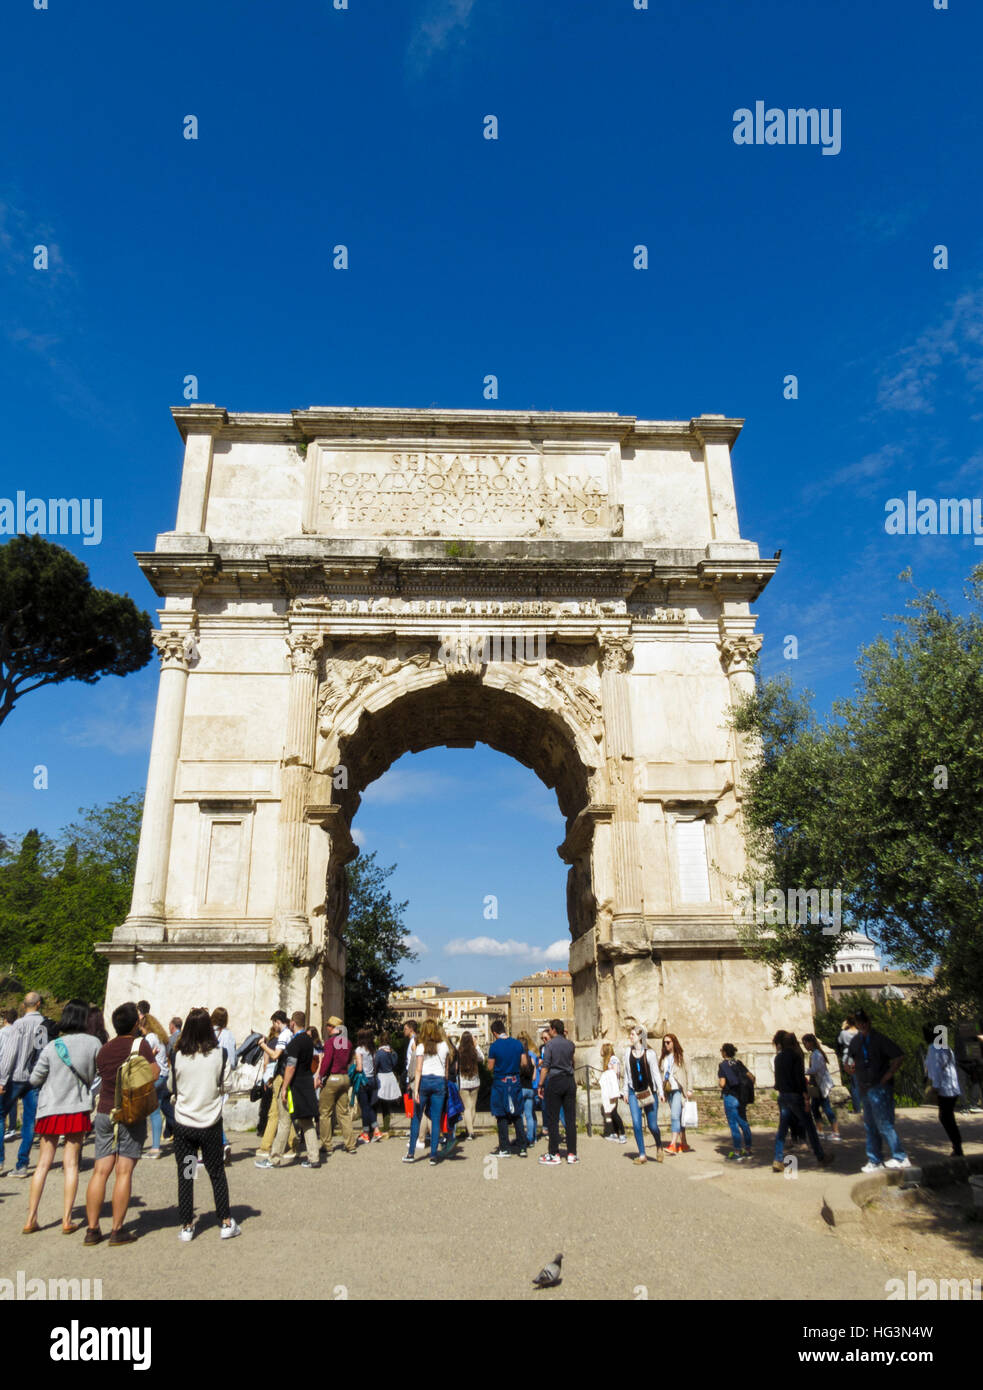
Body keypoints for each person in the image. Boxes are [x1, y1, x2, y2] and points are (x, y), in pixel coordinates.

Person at [84, 1002, 160, 1245]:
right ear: (136, 1024)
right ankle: (117, 1230)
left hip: (105, 1111)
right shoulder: (140, 1045)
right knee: (123, 1171)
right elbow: (154, 1073)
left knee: (100, 1170)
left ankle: (92, 1229)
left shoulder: (104, 1049)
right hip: (130, 1112)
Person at [23, 1000, 101, 1234]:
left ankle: (31, 1217)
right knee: (71, 1164)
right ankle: (67, 1219)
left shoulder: (52, 1045)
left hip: (51, 1108)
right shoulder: (94, 1043)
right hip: (77, 1107)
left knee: (43, 1164)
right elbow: (98, 1072)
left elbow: (35, 1079)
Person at [169, 1007, 241, 1239]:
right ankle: (226, 1221)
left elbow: (173, 1087)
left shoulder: (178, 1055)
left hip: (185, 1126)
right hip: (209, 1124)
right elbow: (227, 1086)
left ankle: (187, 1225)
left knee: (187, 1174)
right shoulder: (219, 1055)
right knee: (216, 1171)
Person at [847, 1010, 910, 1173]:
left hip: (879, 1086)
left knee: (884, 1123)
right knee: (870, 1125)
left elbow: (899, 1056)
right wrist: (849, 1067)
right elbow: (850, 1059)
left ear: (869, 1022)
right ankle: (874, 1159)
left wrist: (888, 1074)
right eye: (859, 1021)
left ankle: (900, 1156)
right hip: (864, 1086)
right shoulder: (855, 1041)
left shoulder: (879, 1039)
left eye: (864, 1021)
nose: (862, 1024)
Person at [256, 1011, 320, 1170]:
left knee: (284, 1121)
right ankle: (314, 1158)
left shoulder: (296, 1042)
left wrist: (284, 1087)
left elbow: (290, 1066)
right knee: (307, 1122)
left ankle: (274, 1159)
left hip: (295, 1085)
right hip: (307, 1083)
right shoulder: (308, 1040)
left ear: (292, 1023)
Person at [0, 992, 48, 1178]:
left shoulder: (19, 1024)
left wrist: (2, 1079)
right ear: (38, 1004)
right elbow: (42, 1053)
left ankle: (1, 1159)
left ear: (24, 1005)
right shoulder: (42, 1024)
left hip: (15, 1077)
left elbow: (10, 1054)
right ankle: (22, 1164)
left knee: (1, 1114)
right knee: (29, 1120)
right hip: (33, 1078)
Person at [772, 1031, 832, 1173]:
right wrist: (805, 1096)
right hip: (795, 1096)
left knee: (782, 1129)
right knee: (809, 1127)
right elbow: (799, 1078)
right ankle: (820, 1156)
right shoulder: (796, 1057)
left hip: (783, 1096)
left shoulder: (778, 1058)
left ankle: (778, 1159)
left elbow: (777, 1081)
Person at [404, 1019, 450, 1165]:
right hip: (439, 1081)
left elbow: (418, 1069)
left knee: (417, 1118)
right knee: (436, 1119)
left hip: (424, 1081)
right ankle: (433, 1155)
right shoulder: (444, 1046)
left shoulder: (420, 1046)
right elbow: (447, 1070)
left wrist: (415, 1089)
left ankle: (411, 1153)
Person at [137, 1004, 176, 1158]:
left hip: (154, 1077)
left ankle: (154, 1148)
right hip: (163, 1076)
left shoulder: (149, 1038)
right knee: (158, 1109)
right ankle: (155, 1145)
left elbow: (142, 1056)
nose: (140, 1029)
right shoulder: (161, 1037)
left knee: (151, 1112)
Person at [621, 1026, 664, 1164]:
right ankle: (642, 1154)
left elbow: (656, 1074)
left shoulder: (649, 1053)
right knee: (636, 1123)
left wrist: (661, 1092)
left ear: (640, 1037)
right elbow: (626, 1074)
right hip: (634, 1092)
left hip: (649, 1092)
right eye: (630, 1034)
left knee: (652, 1126)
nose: (630, 1036)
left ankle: (659, 1145)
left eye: (633, 1034)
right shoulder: (627, 1052)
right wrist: (625, 1091)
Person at [538, 1020, 578, 1165]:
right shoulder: (570, 1044)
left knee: (553, 1118)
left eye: (550, 1029)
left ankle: (554, 1153)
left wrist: (540, 1084)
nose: (549, 1032)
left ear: (554, 1030)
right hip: (569, 1080)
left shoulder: (550, 1045)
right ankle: (572, 1153)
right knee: (570, 1119)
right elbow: (572, 1062)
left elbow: (545, 1067)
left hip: (555, 1080)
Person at [317, 1016, 357, 1156]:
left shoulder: (330, 1043)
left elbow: (326, 1062)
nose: (327, 1028)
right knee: (344, 1113)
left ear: (334, 1028)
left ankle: (327, 1145)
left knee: (325, 1113)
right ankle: (350, 1144)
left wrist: (320, 1076)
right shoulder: (348, 1043)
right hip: (345, 1077)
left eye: (329, 1026)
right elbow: (349, 1060)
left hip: (332, 1078)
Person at [488, 1019, 528, 1158]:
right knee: (517, 1114)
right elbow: (524, 1063)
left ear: (494, 1033)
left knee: (501, 1115)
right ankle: (523, 1147)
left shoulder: (494, 1046)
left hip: (501, 1082)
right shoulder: (518, 1044)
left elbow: (490, 1067)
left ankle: (504, 1148)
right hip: (515, 1081)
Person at [922, 1024, 964, 1158]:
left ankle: (957, 1146)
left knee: (945, 1117)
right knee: (948, 1116)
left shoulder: (933, 1048)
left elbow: (936, 1070)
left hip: (944, 1088)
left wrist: (934, 1088)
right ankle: (957, 1145)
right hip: (953, 1086)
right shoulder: (946, 1047)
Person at [255, 1011, 292, 1154]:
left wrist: (263, 1045)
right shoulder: (289, 1034)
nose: (273, 1026)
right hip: (281, 1075)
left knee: (279, 1112)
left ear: (278, 1021)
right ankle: (268, 1145)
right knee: (278, 1112)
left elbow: (275, 1055)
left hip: (281, 1075)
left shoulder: (284, 1035)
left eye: (273, 1023)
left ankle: (271, 1146)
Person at [718, 1043, 753, 1161]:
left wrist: (720, 1084)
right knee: (744, 1122)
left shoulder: (723, 1065)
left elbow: (722, 1083)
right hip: (741, 1097)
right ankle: (748, 1149)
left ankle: (737, 1151)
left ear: (724, 1052)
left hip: (730, 1097)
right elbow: (751, 1077)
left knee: (733, 1124)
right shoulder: (739, 1063)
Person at [659, 1033, 694, 1154]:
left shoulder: (683, 1056)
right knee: (679, 1117)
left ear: (674, 1042)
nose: (666, 1044)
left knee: (674, 1116)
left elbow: (689, 1072)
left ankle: (673, 1144)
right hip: (668, 1090)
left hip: (679, 1090)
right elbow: (662, 1075)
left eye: (668, 1042)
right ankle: (683, 1143)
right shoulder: (664, 1058)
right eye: (664, 1042)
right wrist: (661, 1092)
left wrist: (690, 1089)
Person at [803, 1033, 841, 1141]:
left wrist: (804, 1070)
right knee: (814, 1108)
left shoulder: (817, 1054)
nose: (805, 1046)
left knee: (826, 1108)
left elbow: (815, 1069)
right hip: (814, 1085)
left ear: (810, 1043)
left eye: (805, 1043)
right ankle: (819, 1130)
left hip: (820, 1085)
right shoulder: (814, 1054)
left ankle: (835, 1131)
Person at [211, 1007, 236, 1164]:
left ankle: (223, 1143)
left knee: (210, 1114)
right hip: (224, 1077)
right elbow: (233, 1061)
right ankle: (221, 1144)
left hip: (209, 1076)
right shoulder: (229, 1035)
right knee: (215, 1114)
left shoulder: (206, 1033)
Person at [355, 1028, 382, 1143]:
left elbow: (359, 1068)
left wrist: (354, 1068)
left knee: (365, 1107)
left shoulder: (359, 1050)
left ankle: (366, 1133)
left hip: (363, 1080)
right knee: (370, 1106)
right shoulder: (373, 1050)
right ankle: (376, 1130)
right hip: (372, 1080)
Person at [374, 1032, 402, 1135]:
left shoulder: (379, 1053)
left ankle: (377, 1126)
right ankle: (386, 1125)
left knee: (378, 1102)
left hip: (382, 1077)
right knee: (386, 1104)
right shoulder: (392, 1052)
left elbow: (376, 1065)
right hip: (391, 1076)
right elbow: (394, 1063)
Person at [457, 1031, 483, 1139]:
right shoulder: (474, 1051)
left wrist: (459, 1043)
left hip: (463, 1082)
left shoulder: (459, 1051)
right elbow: (482, 1058)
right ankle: (469, 1130)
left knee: (467, 1108)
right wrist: (476, 1045)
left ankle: (470, 1132)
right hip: (475, 1080)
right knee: (473, 1107)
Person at [600, 1042, 626, 1143]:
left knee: (614, 1112)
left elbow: (615, 1073)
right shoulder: (608, 1060)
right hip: (609, 1089)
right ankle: (615, 1132)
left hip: (613, 1089)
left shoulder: (613, 1059)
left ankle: (622, 1133)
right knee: (611, 1111)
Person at [837, 1016, 861, 1112]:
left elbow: (839, 1041)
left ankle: (857, 1107)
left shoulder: (844, 1033)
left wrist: (843, 1028)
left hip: (848, 1058)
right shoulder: (859, 1033)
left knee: (854, 1084)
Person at [518, 1032, 538, 1145]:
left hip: (520, 1088)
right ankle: (530, 1139)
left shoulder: (517, 1059)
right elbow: (534, 1077)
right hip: (530, 1088)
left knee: (520, 1116)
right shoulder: (531, 1058)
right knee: (529, 1115)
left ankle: (521, 1138)